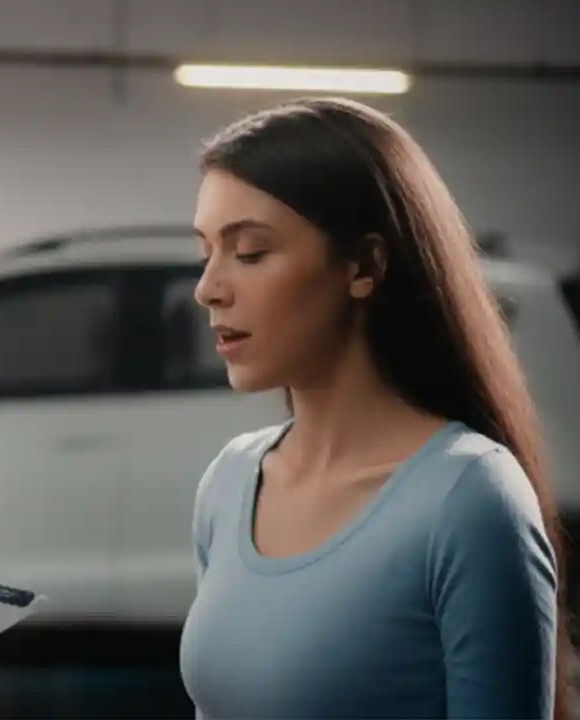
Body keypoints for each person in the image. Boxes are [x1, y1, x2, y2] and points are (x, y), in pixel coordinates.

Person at [179, 97, 569, 718]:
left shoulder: (468, 499)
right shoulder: (230, 482)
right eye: (208, 253)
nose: (208, 289)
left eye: (250, 253)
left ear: (363, 265)